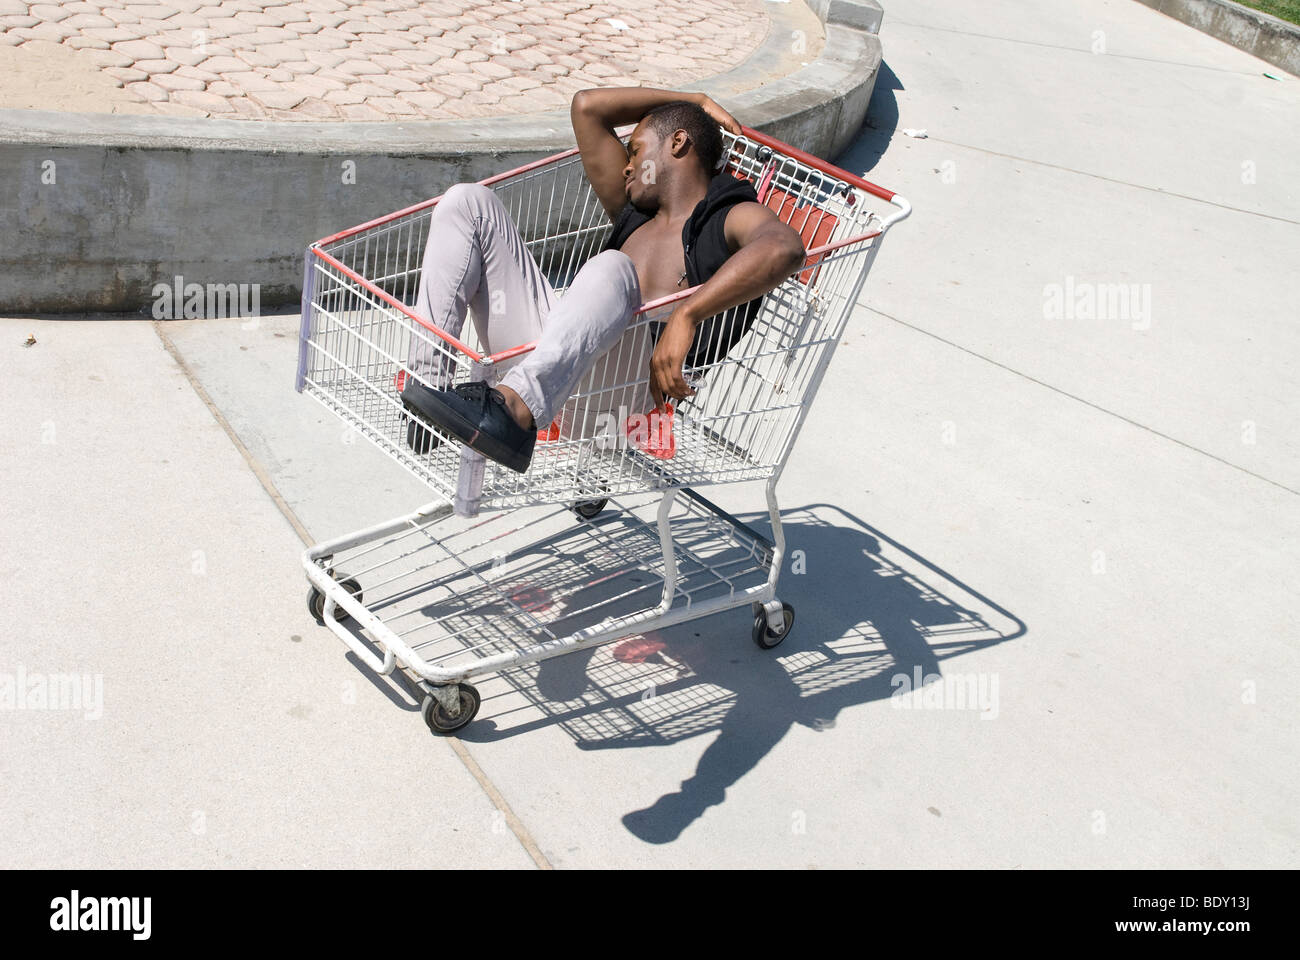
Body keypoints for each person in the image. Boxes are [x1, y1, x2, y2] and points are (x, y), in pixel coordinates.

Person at [401, 86, 808, 473]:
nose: (627, 164)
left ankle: (514, 408)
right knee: (468, 202)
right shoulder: (635, 213)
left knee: (612, 265)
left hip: (618, 404)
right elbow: (587, 107)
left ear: (678, 144)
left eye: (636, 150)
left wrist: (687, 316)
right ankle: (428, 395)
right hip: (554, 366)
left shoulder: (725, 216)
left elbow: (784, 248)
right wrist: (694, 101)